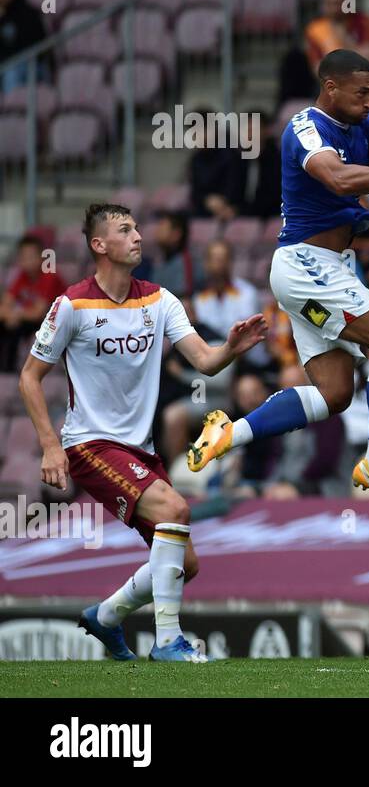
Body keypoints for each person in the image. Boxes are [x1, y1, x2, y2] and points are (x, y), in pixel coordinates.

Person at [185, 50, 369, 515]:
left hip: (324, 268)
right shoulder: (305, 127)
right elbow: (339, 178)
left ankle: (230, 432)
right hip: (306, 265)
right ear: (332, 88)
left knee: (335, 394)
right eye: (362, 92)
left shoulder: (362, 124)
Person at [18, 203, 267, 663]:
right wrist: (50, 446)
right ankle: (168, 642)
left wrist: (231, 347)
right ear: (99, 245)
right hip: (89, 444)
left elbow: (204, 361)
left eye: (136, 228)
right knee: (176, 506)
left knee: (184, 564)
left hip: (140, 450)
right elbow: (30, 376)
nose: (137, 236)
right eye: (124, 230)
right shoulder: (72, 304)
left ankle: (107, 617)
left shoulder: (160, 299)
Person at [1, 235, 64, 372]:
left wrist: (16, 315)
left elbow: (38, 313)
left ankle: (9, 372)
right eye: (23, 258)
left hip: (53, 322)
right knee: (6, 325)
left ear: (42, 257)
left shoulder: (49, 276)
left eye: (31, 257)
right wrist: (11, 316)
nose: (27, 262)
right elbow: (4, 305)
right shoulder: (22, 276)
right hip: (26, 319)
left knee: (14, 329)